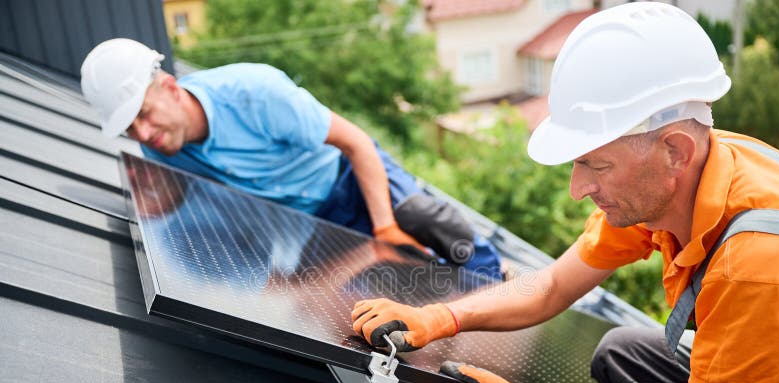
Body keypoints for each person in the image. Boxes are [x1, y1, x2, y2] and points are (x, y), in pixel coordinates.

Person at [351, 3, 779, 383]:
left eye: (597, 164)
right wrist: (440, 319)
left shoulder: (758, 256)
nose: (578, 187)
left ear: (673, 150)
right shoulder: (679, 179)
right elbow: (550, 286)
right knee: (620, 350)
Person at [79, 38, 503, 279]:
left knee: (427, 221)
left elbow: (357, 143)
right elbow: (185, 213)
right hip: (310, 220)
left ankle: (494, 284)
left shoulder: (255, 93)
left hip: (347, 176)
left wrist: (385, 228)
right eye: (130, 128)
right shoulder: (158, 148)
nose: (144, 135)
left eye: (145, 116)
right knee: (355, 296)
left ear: (170, 87)